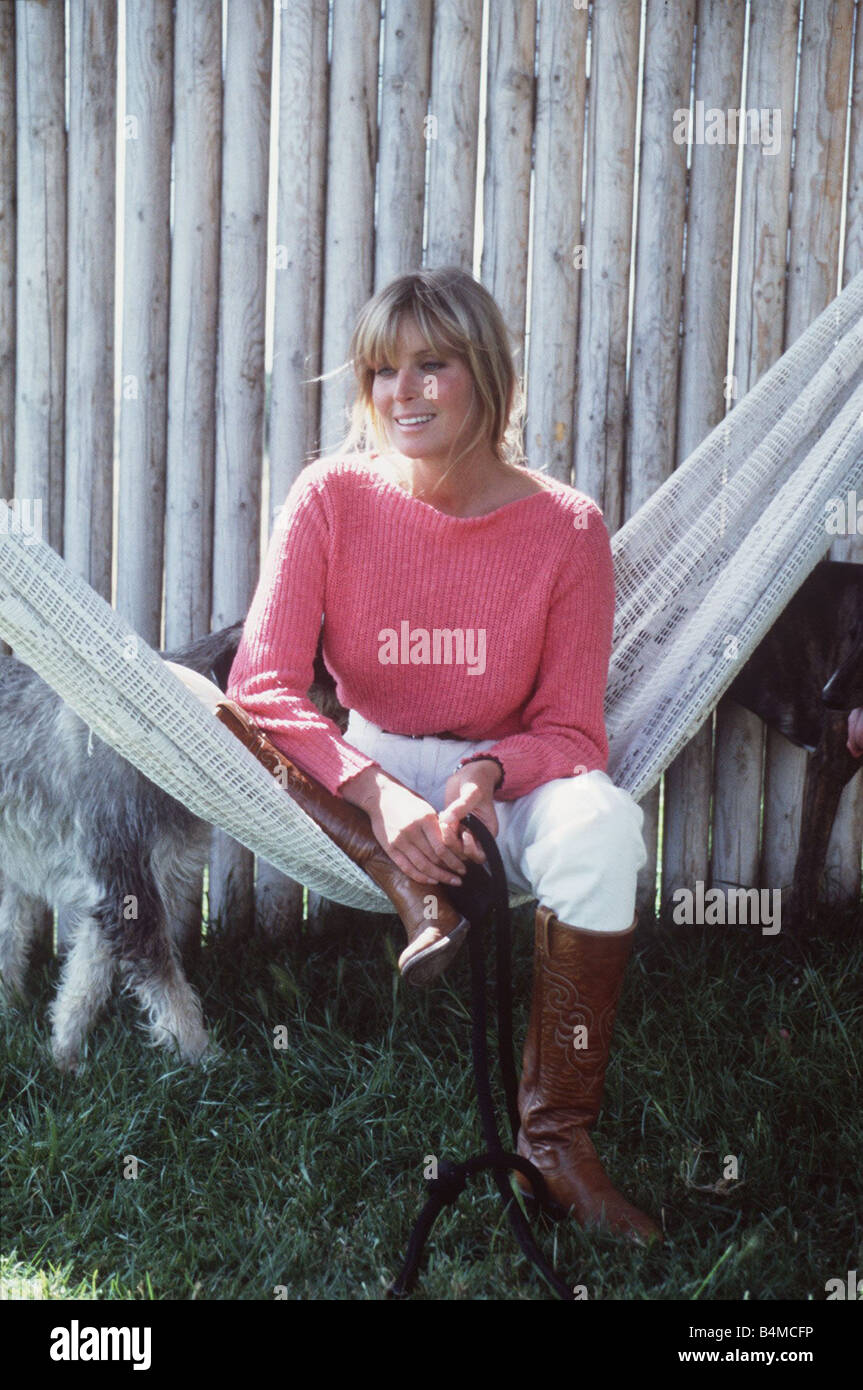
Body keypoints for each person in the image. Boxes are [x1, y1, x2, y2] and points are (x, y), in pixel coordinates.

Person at [226, 266, 660, 1244]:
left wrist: (483, 776)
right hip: (367, 766)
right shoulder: (329, 496)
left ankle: (555, 1141)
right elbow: (261, 687)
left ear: (487, 374)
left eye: (431, 366)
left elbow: (570, 732)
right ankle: (404, 877)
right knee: (227, 722)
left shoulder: (566, 528)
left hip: (502, 778)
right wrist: (382, 798)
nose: (399, 394)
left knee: (604, 829)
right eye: (382, 370)